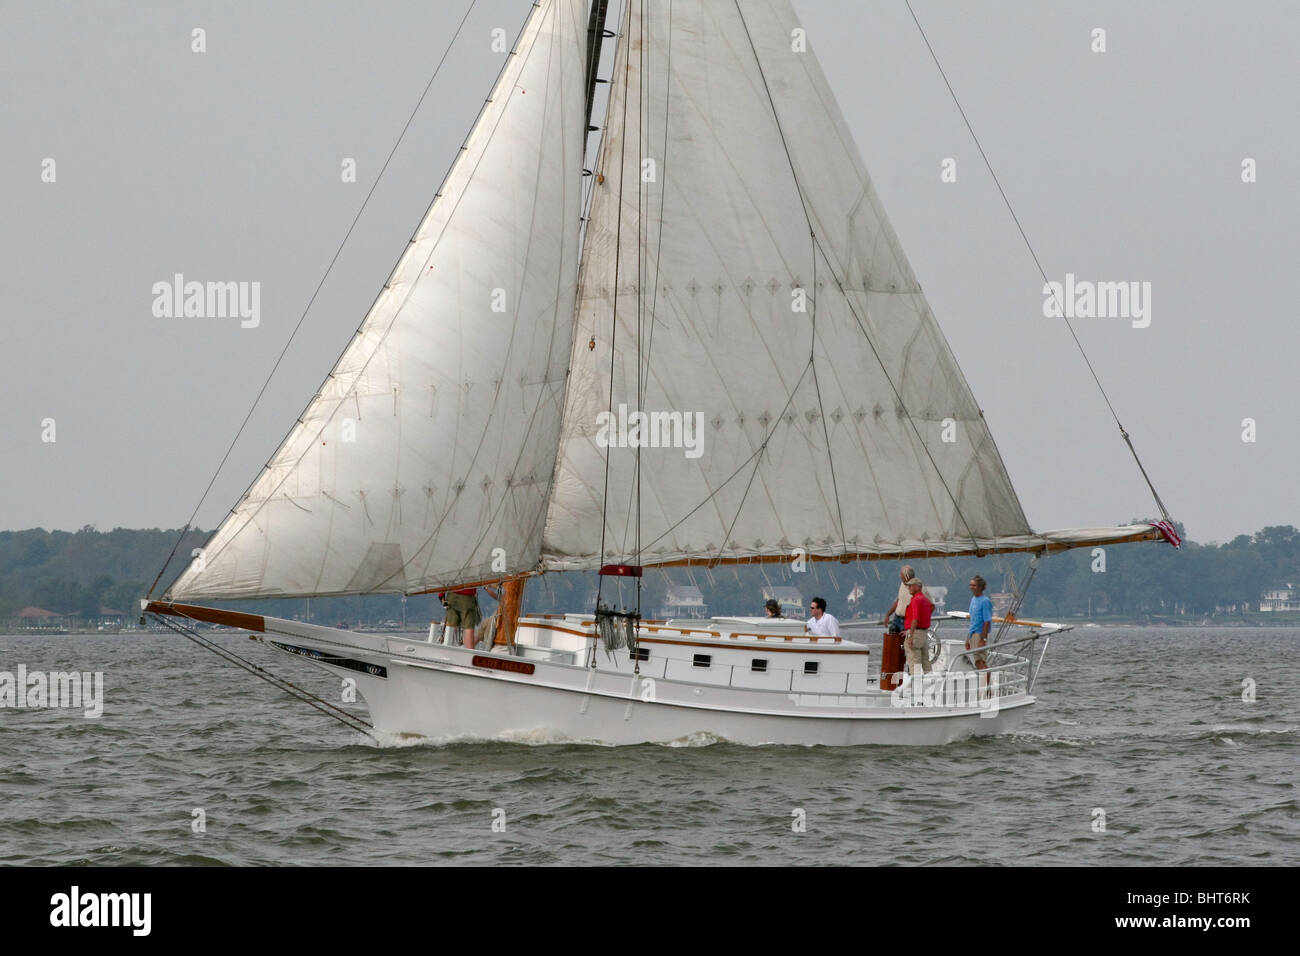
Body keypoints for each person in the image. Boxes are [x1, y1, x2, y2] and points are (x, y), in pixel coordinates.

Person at [439, 584, 501, 650]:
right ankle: (469, 651)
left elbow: (445, 580)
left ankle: (446, 648)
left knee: (451, 627)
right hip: (468, 598)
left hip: (452, 596)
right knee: (468, 629)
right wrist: (488, 586)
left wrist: (441, 596)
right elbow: (500, 595)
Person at [902, 577, 935, 675]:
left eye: (911, 586)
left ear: (918, 587)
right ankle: (930, 684)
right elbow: (930, 609)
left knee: (914, 662)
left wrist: (910, 634)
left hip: (915, 633)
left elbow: (915, 619)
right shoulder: (925, 600)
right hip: (924, 633)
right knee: (926, 661)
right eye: (908, 586)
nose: (909, 588)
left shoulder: (916, 600)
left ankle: (916, 687)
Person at [967, 575, 994, 689]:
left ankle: (986, 687)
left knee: (981, 661)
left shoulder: (985, 601)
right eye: (970, 585)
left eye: (973, 585)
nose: (971, 587)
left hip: (979, 635)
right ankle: (983, 686)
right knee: (977, 662)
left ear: (980, 587)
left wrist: (983, 639)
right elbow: (973, 620)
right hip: (973, 634)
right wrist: (968, 638)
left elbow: (987, 621)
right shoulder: (973, 600)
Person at [882, 565, 917, 634]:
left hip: (908, 621)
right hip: (897, 619)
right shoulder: (902, 584)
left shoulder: (917, 588)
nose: (900, 576)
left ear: (907, 576)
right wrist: (888, 614)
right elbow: (899, 600)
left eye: (901, 575)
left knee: (905, 643)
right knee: (893, 640)